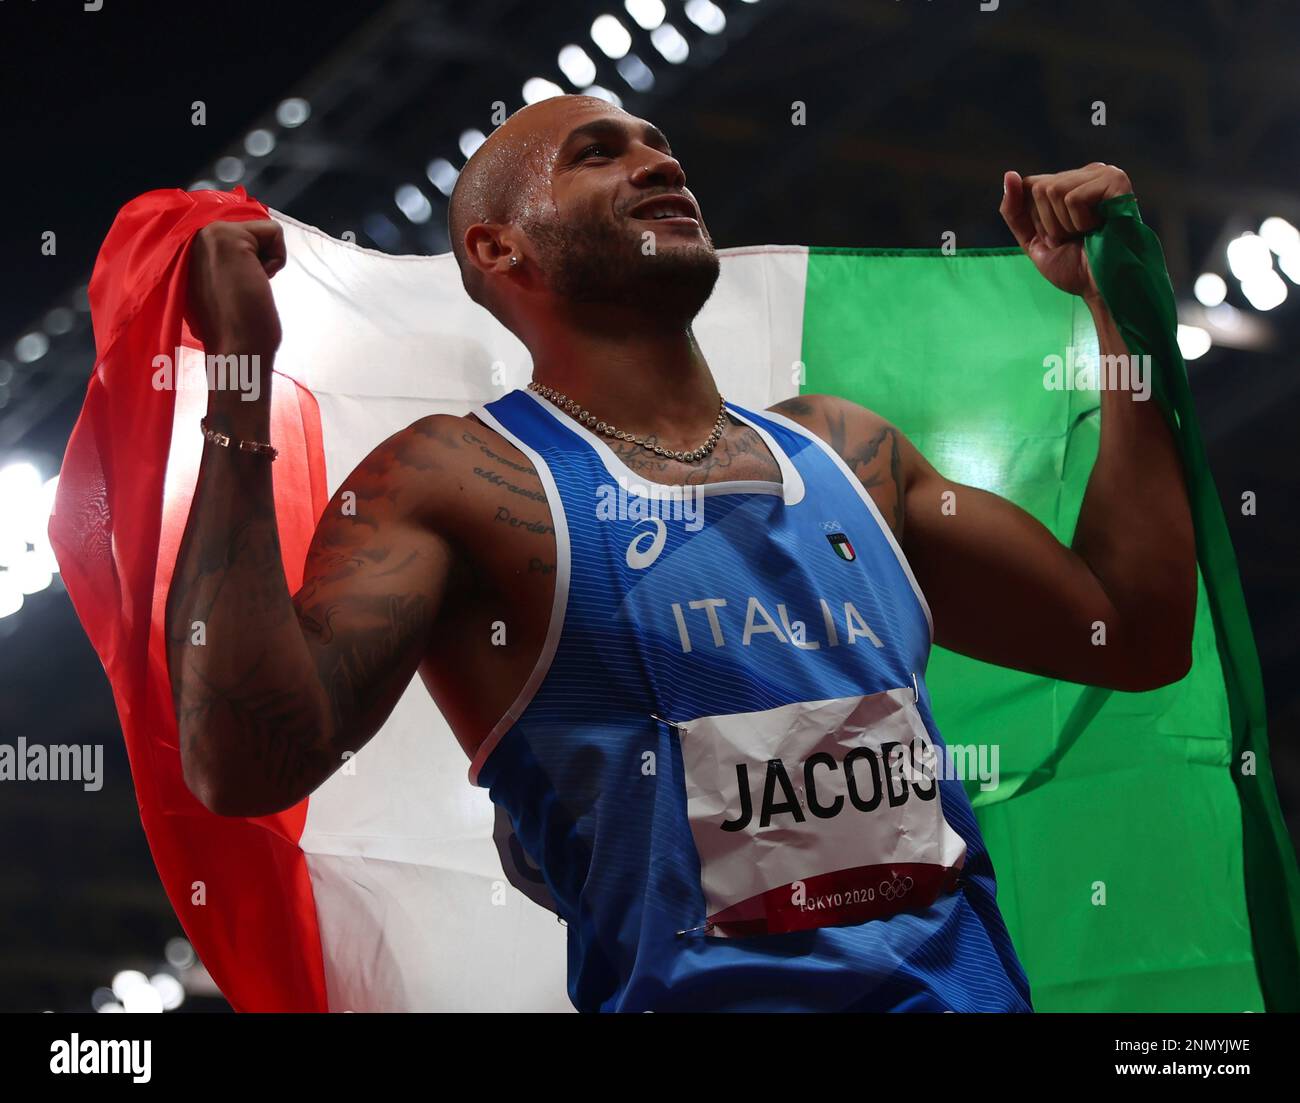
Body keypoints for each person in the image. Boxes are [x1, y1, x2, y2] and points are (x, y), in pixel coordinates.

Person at [168, 94, 1195, 1012]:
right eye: (597, 154)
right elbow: (245, 757)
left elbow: (1134, 626)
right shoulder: (462, 482)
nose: (661, 164)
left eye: (660, 148)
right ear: (498, 249)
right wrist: (241, 375)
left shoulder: (846, 456)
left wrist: (1118, 310)